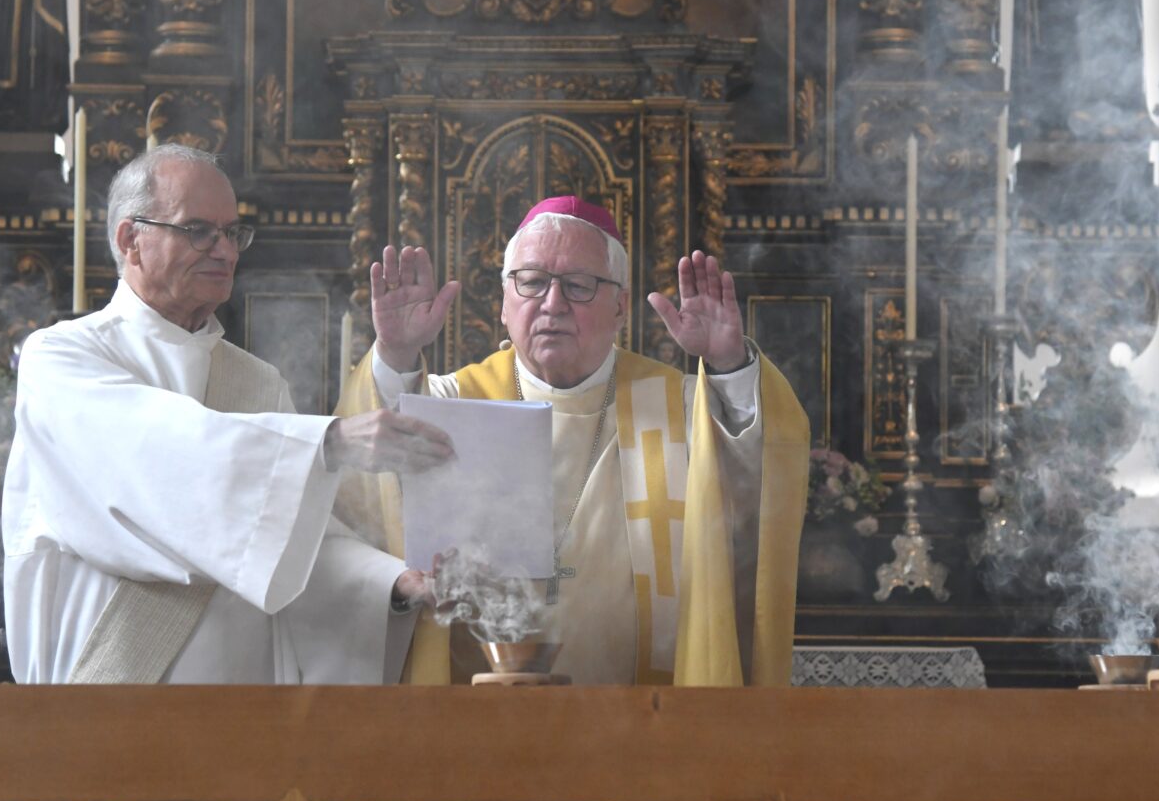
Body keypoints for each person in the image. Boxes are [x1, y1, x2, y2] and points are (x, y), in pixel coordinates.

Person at [2, 143, 453, 685]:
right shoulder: (65, 357)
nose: (224, 250)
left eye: (232, 233)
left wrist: (392, 584)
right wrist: (327, 443)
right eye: (198, 230)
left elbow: (295, 537)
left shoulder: (256, 382)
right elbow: (158, 457)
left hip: (242, 717)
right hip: (109, 697)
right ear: (130, 240)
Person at [337, 196, 809, 686]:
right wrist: (394, 356)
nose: (552, 304)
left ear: (620, 306)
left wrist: (730, 366)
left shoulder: (680, 408)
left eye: (579, 286)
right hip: (471, 724)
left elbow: (760, 484)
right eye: (532, 282)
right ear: (504, 301)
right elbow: (363, 491)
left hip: (647, 722)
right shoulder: (451, 402)